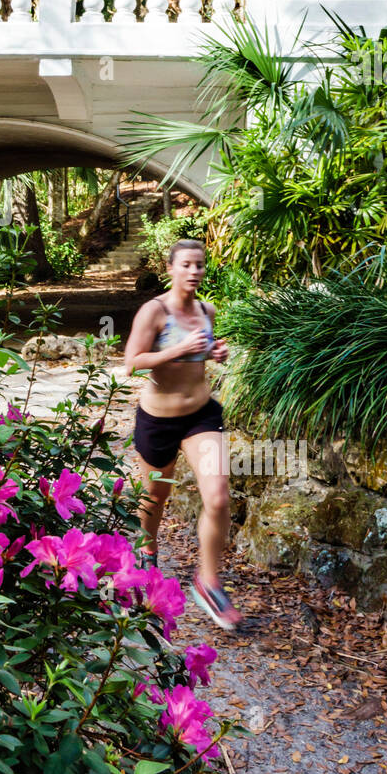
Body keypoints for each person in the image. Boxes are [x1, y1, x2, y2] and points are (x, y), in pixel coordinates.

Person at [123, 238, 243, 630]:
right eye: (187, 265)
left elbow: (200, 353)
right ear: (171, 268)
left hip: (200, 417)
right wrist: (177, 350)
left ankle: (208, 582)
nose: (194, 272)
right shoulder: (154, 311)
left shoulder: (207, 310)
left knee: (219, 496)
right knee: (155, 498)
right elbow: (132, 364)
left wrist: (213, 352)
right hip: (157, 419)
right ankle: (148, 551)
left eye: (200, 265)